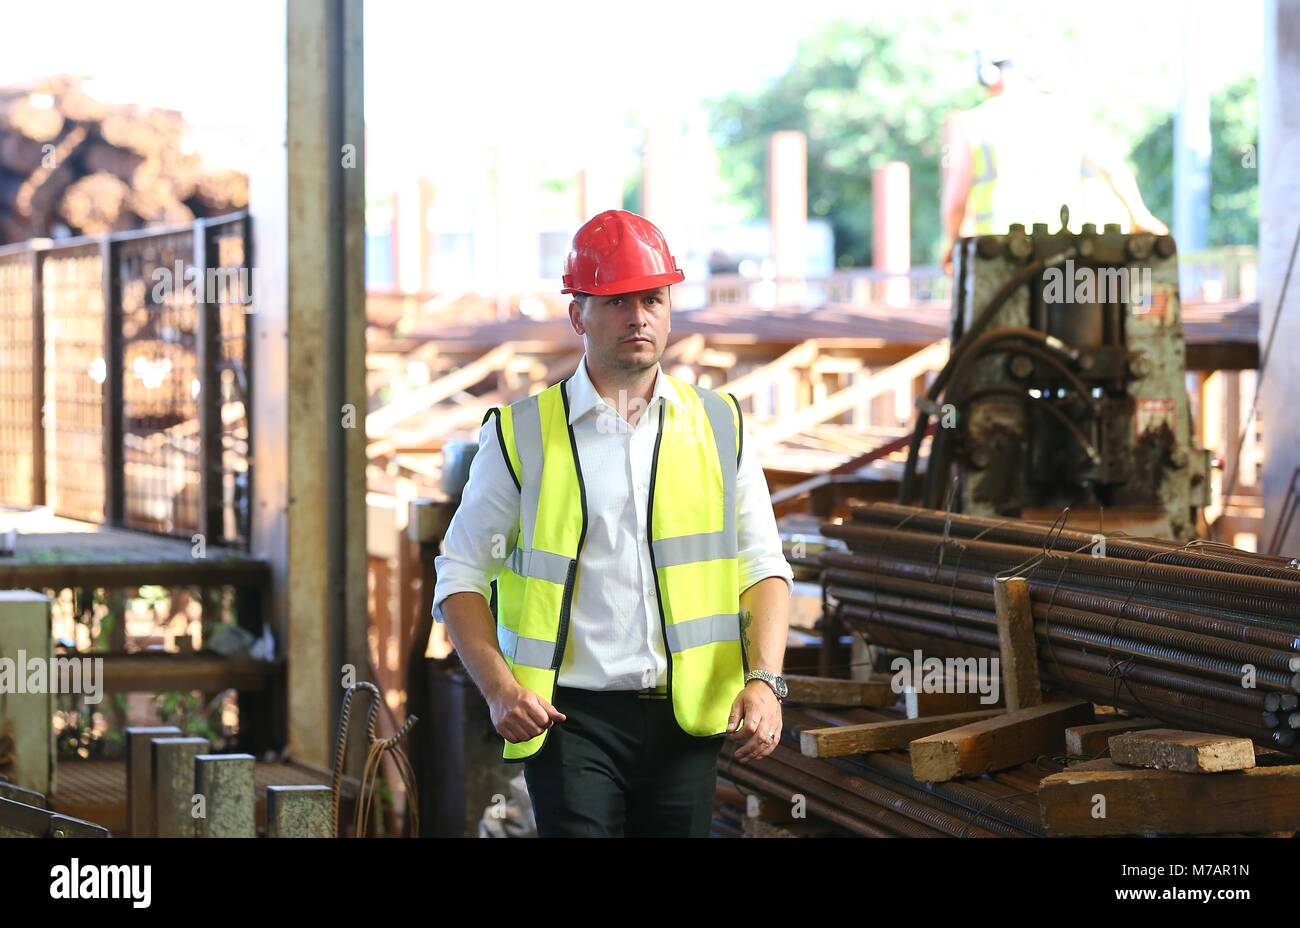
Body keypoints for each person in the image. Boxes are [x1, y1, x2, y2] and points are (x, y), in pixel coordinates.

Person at [433, 209, 794, 837]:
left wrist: (764, 681)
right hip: (570, 720)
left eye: (653, 299)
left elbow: (763, 566)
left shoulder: (719, 426)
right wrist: (498, 690)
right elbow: (459, 576)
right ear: (579, 314)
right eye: (618, 301)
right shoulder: (522, 437)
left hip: (689, 719)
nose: (639, 317)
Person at [941, 50, 1168, 266]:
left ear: (988, 75)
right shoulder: (1066, 113)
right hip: (1063, 249)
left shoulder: (971, 123)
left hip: (998, 252)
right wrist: (1141, 216)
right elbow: (1113, 169)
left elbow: (955, 203)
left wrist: (953, 243)